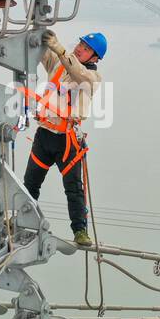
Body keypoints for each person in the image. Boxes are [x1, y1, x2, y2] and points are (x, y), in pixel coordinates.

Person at [23, 29, 106, 247]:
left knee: (73, 189)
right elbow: (45, 54)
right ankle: (22, 221)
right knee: (30, 183)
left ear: (95, 58)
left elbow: (77, 71)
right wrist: (38, 30)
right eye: (80, 44)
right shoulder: (60, 64)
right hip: (44, 135)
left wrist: (59, 48)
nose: (80, 48)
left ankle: (79, 231)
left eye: (87, 49)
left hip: (66, 139)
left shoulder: (92, 77)